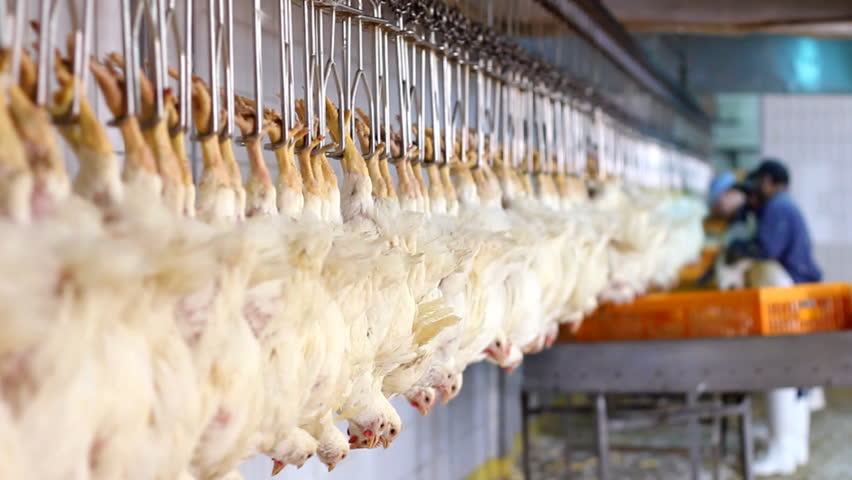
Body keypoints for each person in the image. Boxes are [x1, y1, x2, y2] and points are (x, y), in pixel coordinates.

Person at [723, 159, 823, 476]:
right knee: (795, 378)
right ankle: (794, 447)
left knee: (783, 375)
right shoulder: (781, 206)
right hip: (795, 299)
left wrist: (738, 248)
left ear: (768, 181)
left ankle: (784, 449)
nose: (753, 194)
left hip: (789, 301)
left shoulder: (779, 208)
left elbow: (765, 248)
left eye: (755, 186)